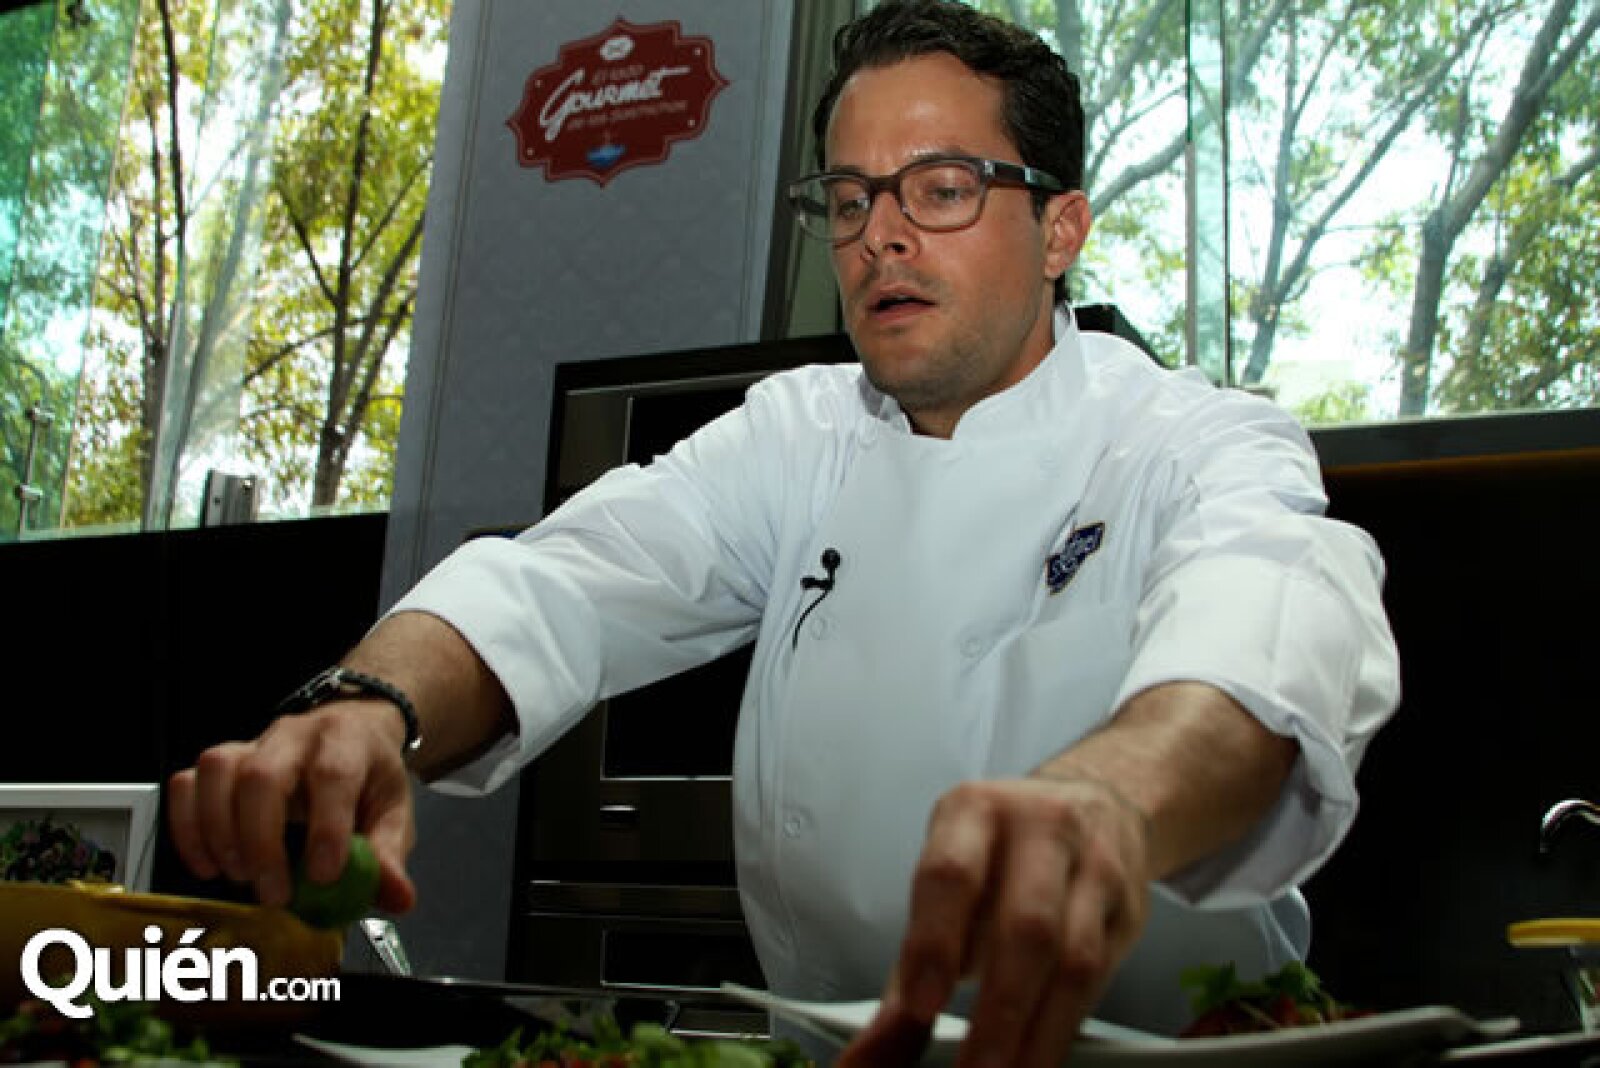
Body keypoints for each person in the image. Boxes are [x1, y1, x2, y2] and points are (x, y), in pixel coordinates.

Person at [168, 2, 1400, 1065]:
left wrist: (1111, 798)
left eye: (942, 189)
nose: (881, 237)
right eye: (850, 199)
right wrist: (369, 706)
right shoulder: (799, 434)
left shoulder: (1188, 438)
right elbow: (563, 584)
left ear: (1060, 228)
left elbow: (1265, 627)